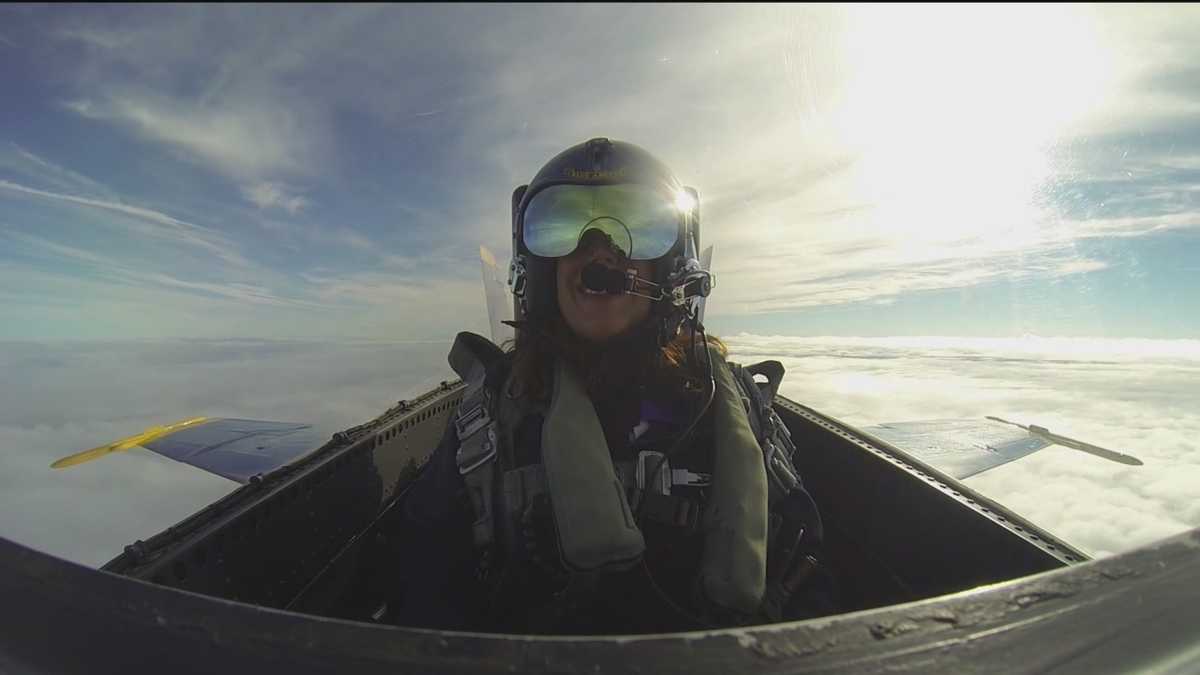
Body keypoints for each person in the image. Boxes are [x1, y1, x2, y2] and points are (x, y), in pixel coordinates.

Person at [381, 138, 828, 634]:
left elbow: (809, 575)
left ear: (675, 265)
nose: (601, 249)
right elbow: (427, 602)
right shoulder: (488, 421)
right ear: (539, 270)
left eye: (638, 227)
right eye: (563, 226)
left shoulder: (738, 409)